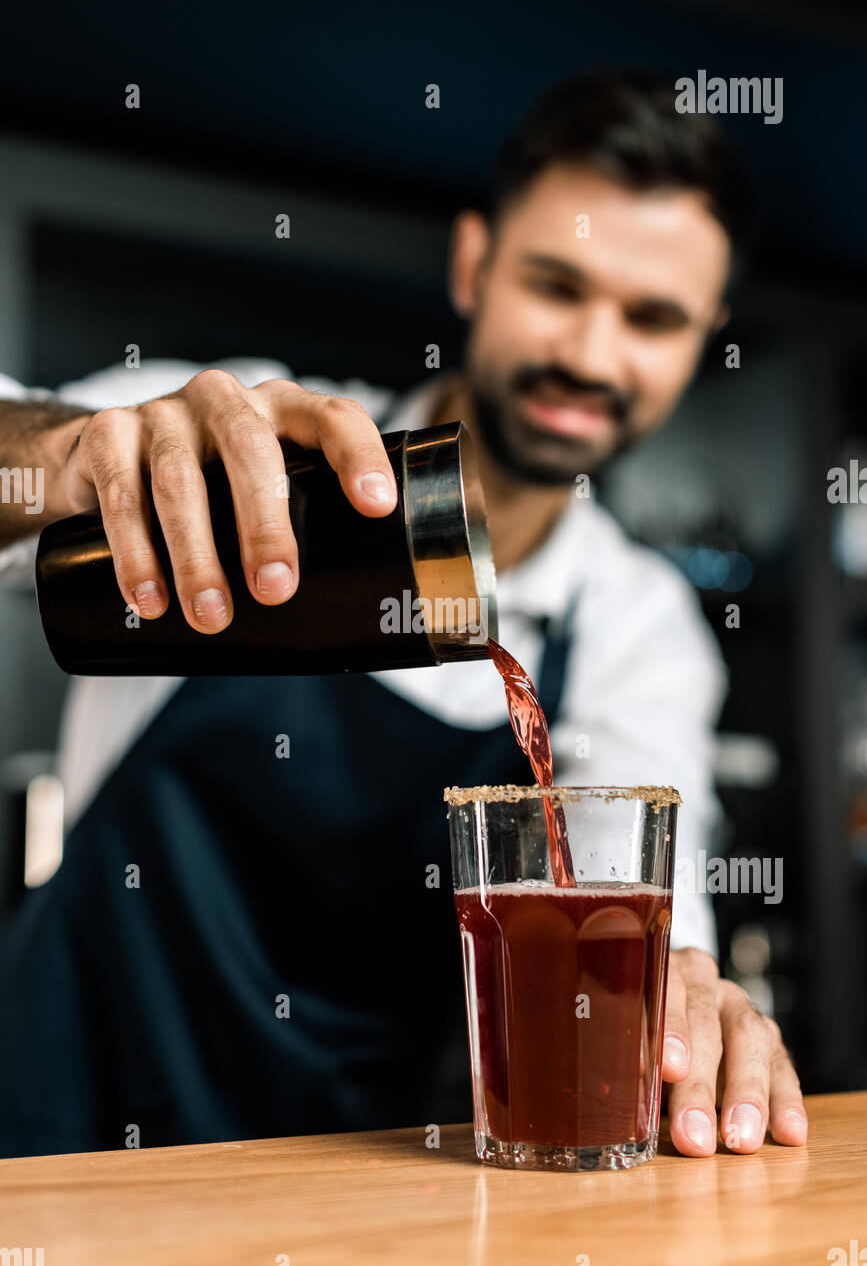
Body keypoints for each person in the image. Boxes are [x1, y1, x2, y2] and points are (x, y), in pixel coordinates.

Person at [0, 68, 807, 1159]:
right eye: (558, 286)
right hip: (53, 1134)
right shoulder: (247, 436)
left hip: (349, 1189)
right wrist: (57, 460)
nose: (589, 353)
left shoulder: (633, 623)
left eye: (652, 318)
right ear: (474, 263)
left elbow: (654, 899)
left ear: (703, 333)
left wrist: (686, 1002)